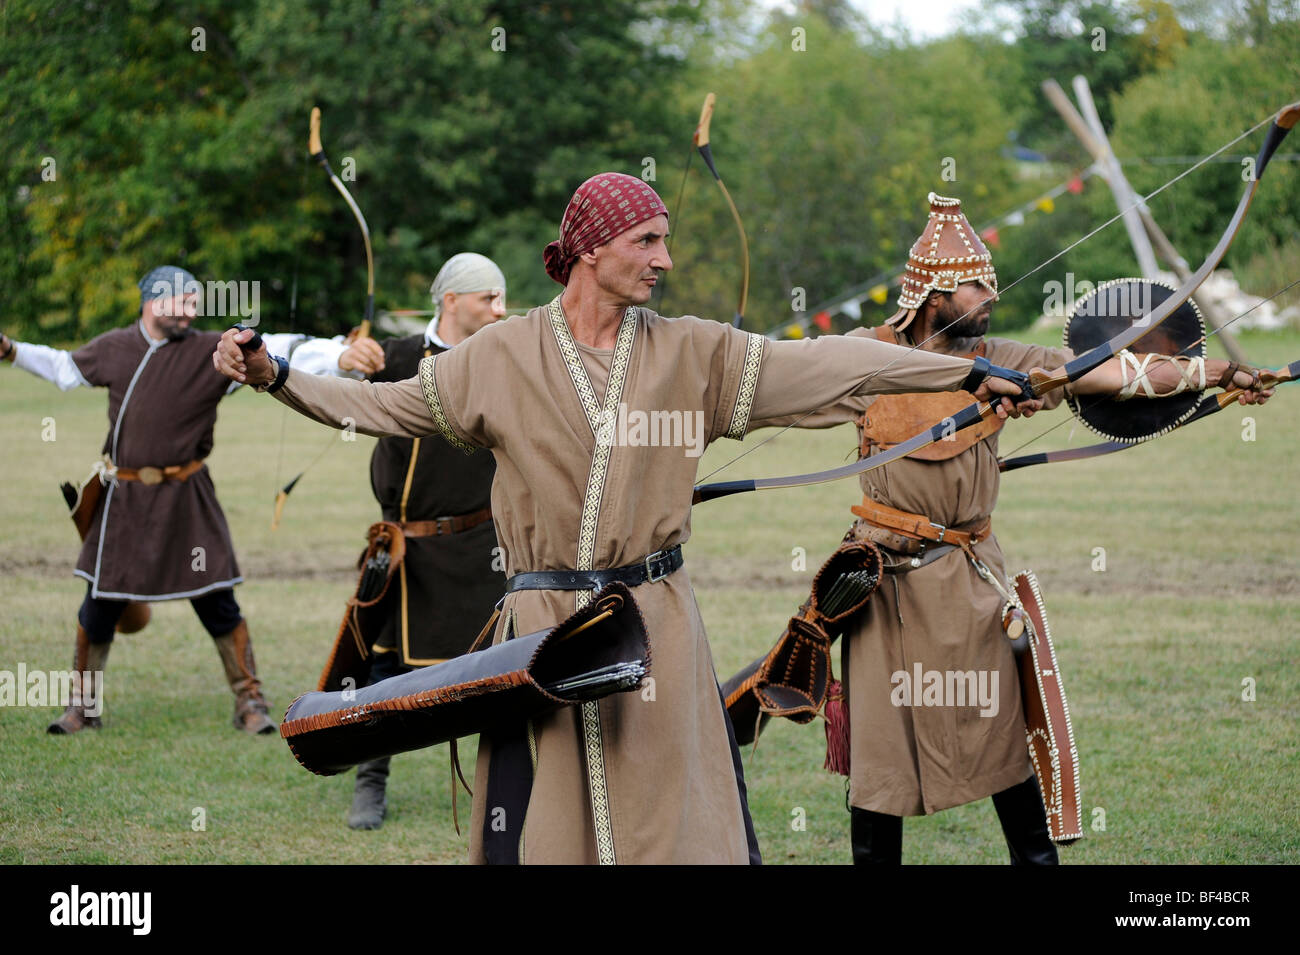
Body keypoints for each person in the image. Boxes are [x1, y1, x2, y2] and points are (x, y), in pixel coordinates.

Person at [212, 172, 1042, 864]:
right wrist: (275, 372)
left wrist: (959, 371)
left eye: (664, 240)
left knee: (670, 825)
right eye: (647, 241)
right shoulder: (497, 358)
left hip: (657, 626)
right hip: (541, 632)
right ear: (589, 250)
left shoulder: (692, 350)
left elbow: (829, 364)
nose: (665, 259)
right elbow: (382, 406)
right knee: (548, 826)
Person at [754, 193, 1272, 864]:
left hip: (971, 585)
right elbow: (782, 381)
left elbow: (1110, 370)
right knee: (880, 765)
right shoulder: (869, 357)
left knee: (1004, 743)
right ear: (931, 292)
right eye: (973, 283)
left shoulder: (1002, 355)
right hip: (884, 586)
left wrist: (1217, 371)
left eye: (990, 280)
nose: (989, 293)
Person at [1, 265, 384, 736]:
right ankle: (82, 707)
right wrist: (13, 350)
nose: (190, 311)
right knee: (99, 604)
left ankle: (250, 702)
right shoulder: (115, 347)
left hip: (186, 498)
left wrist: (341, 355)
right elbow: (62, 368)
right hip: (124, 500)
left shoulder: (212, 351)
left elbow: (283, 347)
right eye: (180, 301)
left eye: (194, 302)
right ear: (150, 302)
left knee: (216, 601)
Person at [308, 252, 509, 830]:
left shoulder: (501, 358)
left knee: (493, 671)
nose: (499, 310)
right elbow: (319, 375)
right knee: (385, 671)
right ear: (450, 301)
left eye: (501, 299)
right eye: (487, 299)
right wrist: (345, 356)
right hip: (407, 550)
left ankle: (501, 788)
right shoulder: (393, 358)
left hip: (481, 547)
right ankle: (371, 783)